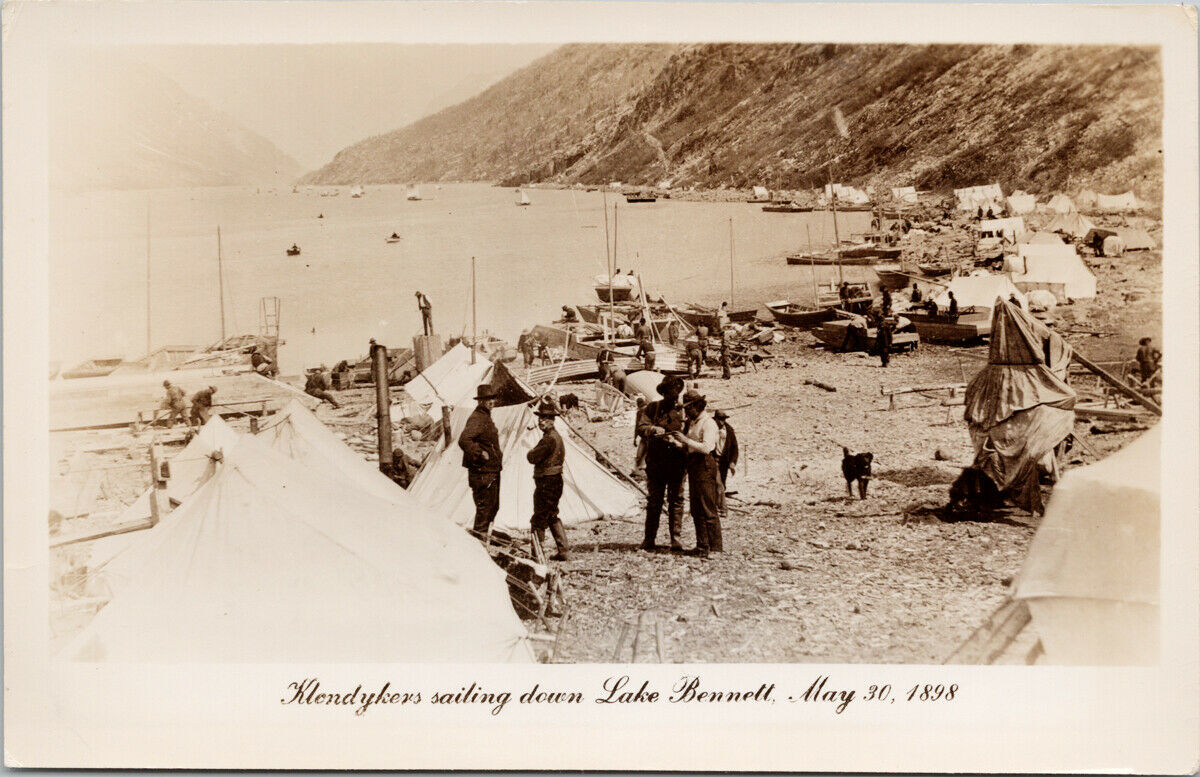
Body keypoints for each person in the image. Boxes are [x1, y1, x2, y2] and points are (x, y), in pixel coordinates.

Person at [636, 375, 687, 552]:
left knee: (677, 501)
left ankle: (676, 539)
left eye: (676, 394)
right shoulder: (653, 408)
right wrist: (652, 429)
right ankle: (649, 539)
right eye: (669, 394)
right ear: (663, 393)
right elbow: (641, 428)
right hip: (656, 464)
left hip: (677, 464)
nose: (673, 397)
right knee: (654, 502)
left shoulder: (684, 411)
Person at [672, 389, 722, 557]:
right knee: (696, 508)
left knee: (708, 507)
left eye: (688, 408)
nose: (686, 412)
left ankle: (715, 547)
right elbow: (691, 446)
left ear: (695, 406)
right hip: (694, 465)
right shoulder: (693, 423)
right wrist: (677, 442)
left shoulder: (708, 423)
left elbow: (707, 447)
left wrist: (685, 440)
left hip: (705, 465)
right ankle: (702, 545)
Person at [527, 399, 570, 561]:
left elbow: (532, 457)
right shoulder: (555, 436)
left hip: (547, 482)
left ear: (552, 421)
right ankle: (564, 550)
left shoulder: (548, 439)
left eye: (545, 419)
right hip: (554, 480)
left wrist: (531, 452)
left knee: (538, 518)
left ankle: (537, 555)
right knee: (552, 514)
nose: (541, 421)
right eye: (540, 418)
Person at [459, 384, 503, 536]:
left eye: (492, 399)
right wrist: (480, 452)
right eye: (487, 399)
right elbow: (464, 440)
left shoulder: (485, 417)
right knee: (485, 507)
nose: (491, 402)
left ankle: (486, 536)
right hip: (482, 472)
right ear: (480, 401)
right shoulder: (477, 418)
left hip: (490, 471)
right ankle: (480, 540)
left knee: (493, 506)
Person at [713, 409, 738, 524]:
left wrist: (732, 462)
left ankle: (716, 507)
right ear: (716, 418)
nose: (722, 422)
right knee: (718, 485)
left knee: (721, 483)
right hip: (713, 460)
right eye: (720, 419)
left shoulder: (729, 430)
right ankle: (723, 509)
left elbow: (734, 448)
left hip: (724, 462)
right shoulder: (711, 428)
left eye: (723, 419)